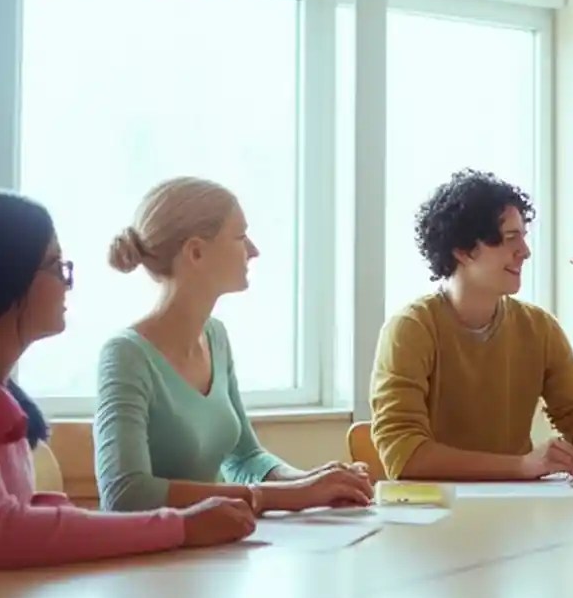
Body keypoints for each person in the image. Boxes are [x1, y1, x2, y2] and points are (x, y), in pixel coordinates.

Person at [0, 190, 255, 569]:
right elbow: (8, 531)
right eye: (56, 266)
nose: (67, 282)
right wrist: (182, 526)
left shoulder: (9, 406)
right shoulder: (127, 352)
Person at [95, 177, 372, 513]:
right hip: (155, 560)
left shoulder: (216, 337)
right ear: (195, 252)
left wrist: (317, 482)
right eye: (240, 237)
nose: (253, 250)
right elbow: (126, 494)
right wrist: (290, 495)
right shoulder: (125, 355)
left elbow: (245, 457)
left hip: (212, 547)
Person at [370, 169, 573, 481]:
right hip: (438, 515)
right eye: (511, 238)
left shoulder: (539, 328)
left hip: (517, 508)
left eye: (524, 237)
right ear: (462, 250)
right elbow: (404, 455)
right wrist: (523, 466)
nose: (525, 251)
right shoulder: (410, 329)